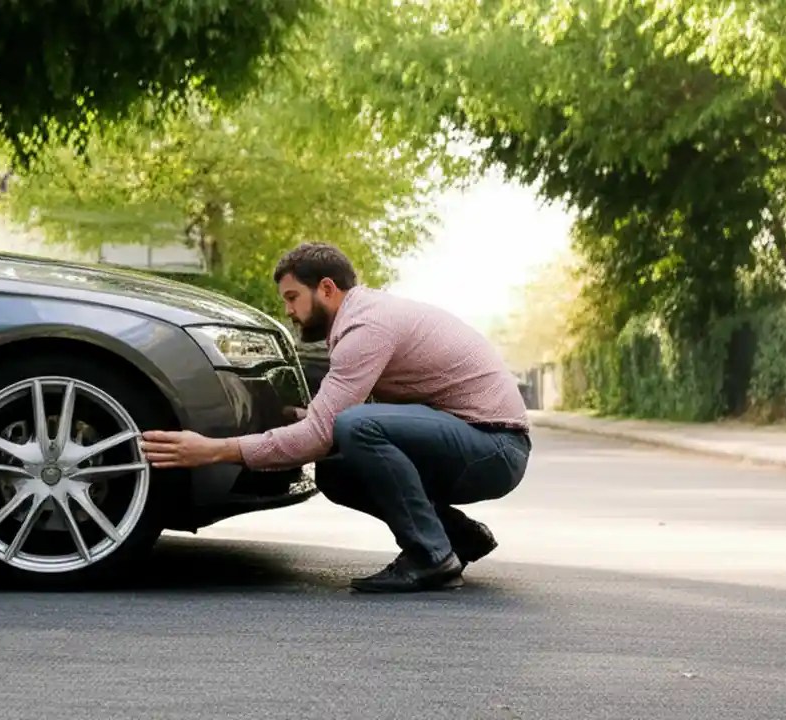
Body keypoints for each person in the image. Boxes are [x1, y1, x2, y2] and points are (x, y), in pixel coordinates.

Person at [140, 242, 532, 593]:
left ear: (326, 288)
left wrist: (213, 451)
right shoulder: (367, 316)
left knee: (355, 427)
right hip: (476, 442)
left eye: (293, 298)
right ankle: (457, 538)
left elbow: (321, 433)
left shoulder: (366, 327)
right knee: (338, 472)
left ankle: (431, 558)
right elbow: (326, 422)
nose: (290, 311)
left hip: (495, 449)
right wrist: (295, 418)